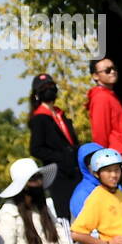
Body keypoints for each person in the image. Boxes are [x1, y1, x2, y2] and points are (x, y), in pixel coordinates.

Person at [27, 73, 81, 216]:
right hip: (59, 174)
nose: (49, 89)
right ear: (37, 93)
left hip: (75, 170)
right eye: (44, 87)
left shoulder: (60, 114)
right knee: (66, 212)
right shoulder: (39, 118)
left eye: (51, 86)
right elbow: (36, 149)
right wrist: (60, 157)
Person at [87, 57, 122, 172]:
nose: (112, 72)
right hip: (119, 156)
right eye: (107, 70)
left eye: (114, 68)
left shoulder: (109, 95)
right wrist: (102, 160)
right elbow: (100, 134)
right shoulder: (101, 98)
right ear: (95, 76)